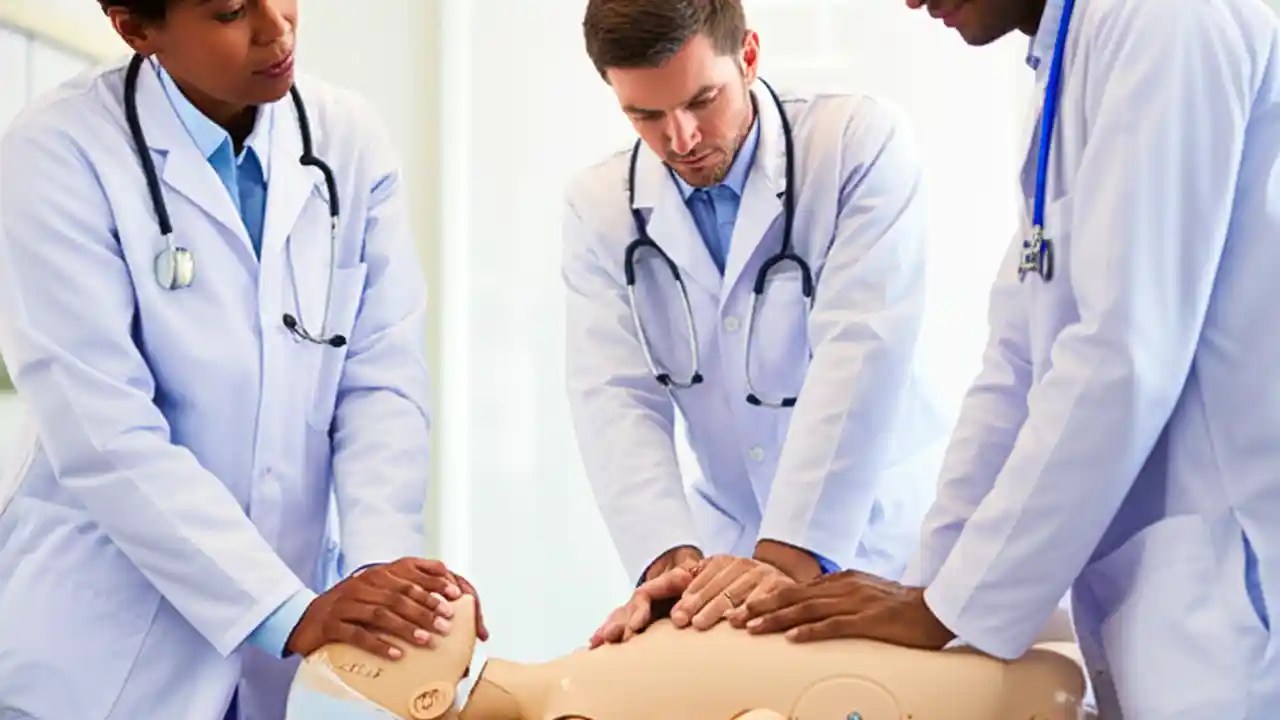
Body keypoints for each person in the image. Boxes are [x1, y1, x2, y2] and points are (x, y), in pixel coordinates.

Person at [738, 0, 1280, 716]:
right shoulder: (1068, 56)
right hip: (1169, 587)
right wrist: (932, 588)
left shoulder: (1166, 18)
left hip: (1232, 586)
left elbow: (1123, 355)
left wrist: (950, 604)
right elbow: (1019, 360)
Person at [0, 1, 486, 718]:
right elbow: (104, 431)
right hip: (101, 655)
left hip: (268, 669)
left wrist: (383, 565)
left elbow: (379, 376)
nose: (277, 27)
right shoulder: (57, 153)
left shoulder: (345, 140)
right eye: (230, 11)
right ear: (136, 28)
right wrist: (283, 608)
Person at [563, 0, 951, 647]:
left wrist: (784, 560)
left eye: (702, 100)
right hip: (725, 554)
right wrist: (671, 566)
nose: (680, 140)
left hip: (878, 545)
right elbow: (614, 397)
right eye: (645, 116)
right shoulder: (599, 204)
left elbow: (860, 350)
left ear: (747, 56)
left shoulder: (855, 142)